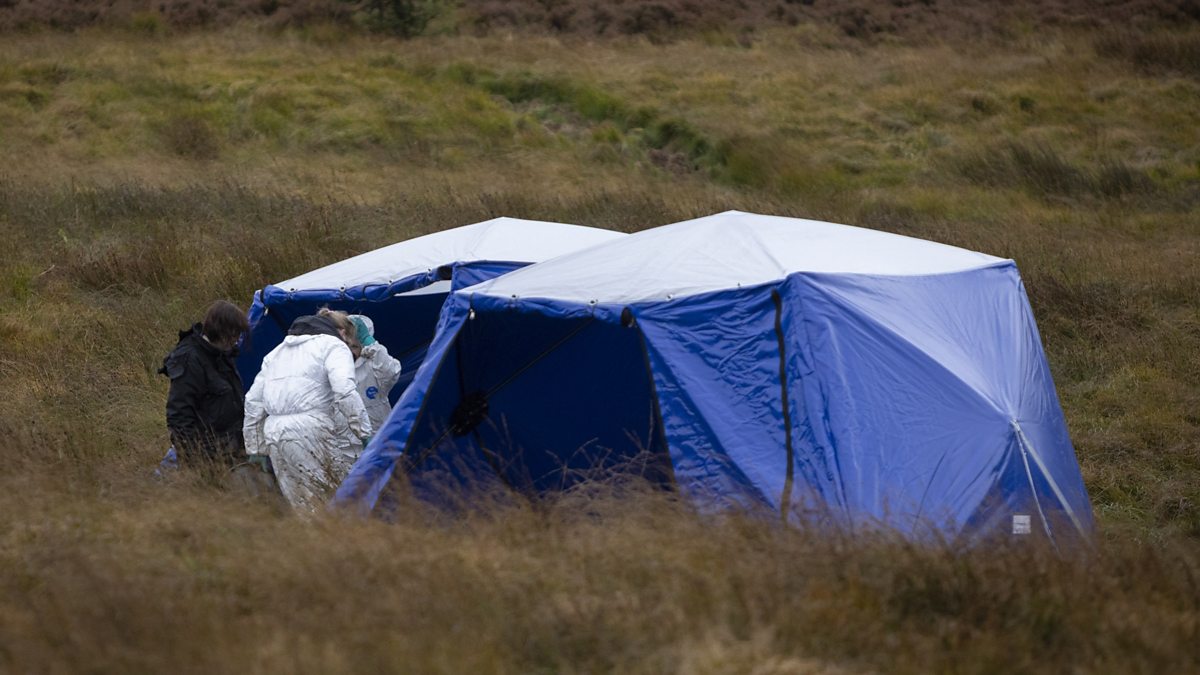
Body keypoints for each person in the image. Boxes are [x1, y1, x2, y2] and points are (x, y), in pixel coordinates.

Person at [242, 308, 372, 511]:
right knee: (334, 497)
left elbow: (252, 402)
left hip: (274, 433)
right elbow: (345, 389)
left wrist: (255, 449)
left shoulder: (275, 353)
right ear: (343, 332)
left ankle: (310, 542)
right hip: (312, 428)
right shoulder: (334, 346)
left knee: (299, 503)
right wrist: (364, 433)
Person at [160, 300, 250, 468]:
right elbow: (179, 414)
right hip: (206, 457)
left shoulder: (224, 354)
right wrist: (194, 459)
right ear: (222, 330)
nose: (237, 340)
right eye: (235, 334)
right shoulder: (189, 360)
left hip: (232, 450)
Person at [347, 315, 403, 436]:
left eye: (355, 346)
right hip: (345, 445)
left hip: (379, 439)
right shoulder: (334, 367)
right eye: (347, 345)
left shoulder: (374, 366)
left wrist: (369, 342)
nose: (350, 351)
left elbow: (391, 371)